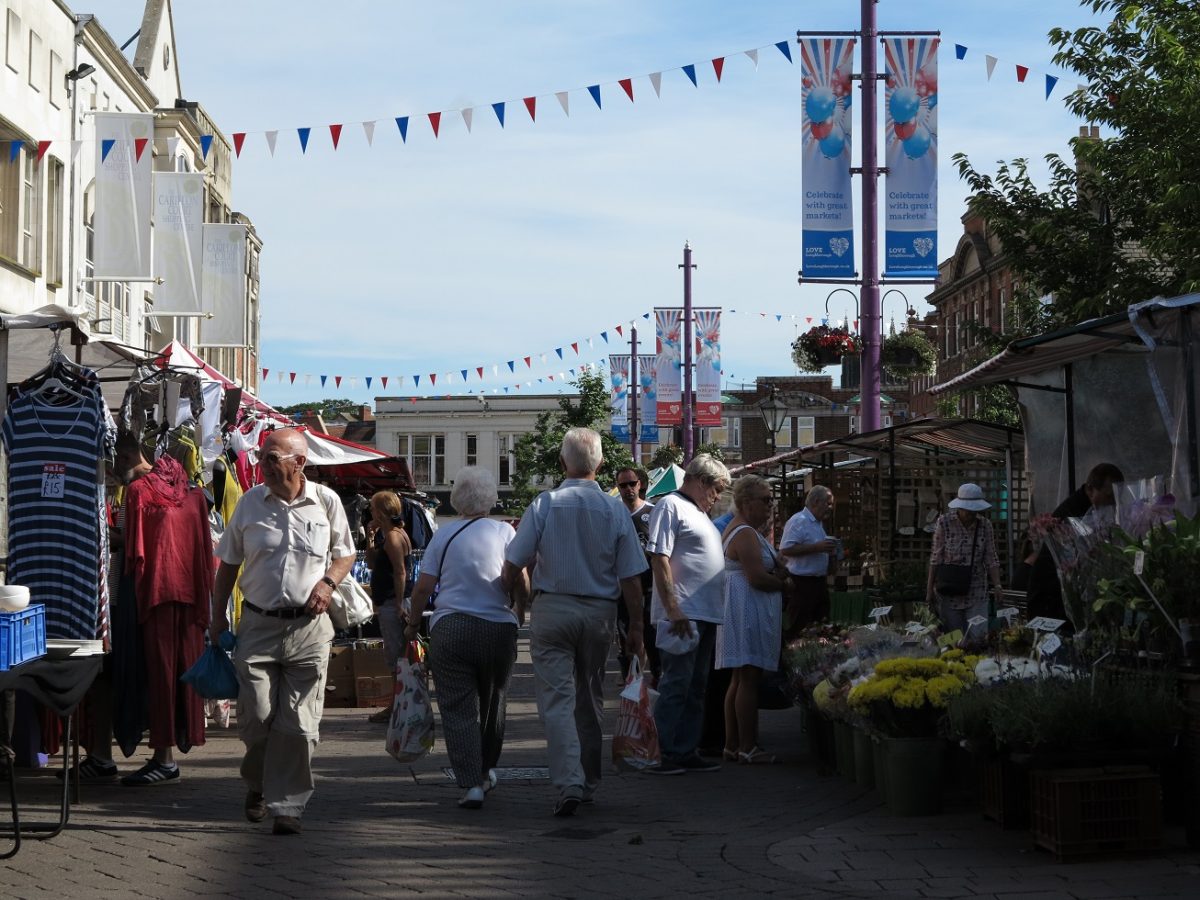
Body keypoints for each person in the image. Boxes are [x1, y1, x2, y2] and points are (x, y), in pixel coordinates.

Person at [210, 428, 356, 836]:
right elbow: (228, 565)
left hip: (309, 628)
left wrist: (328, 583)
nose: (264, 466)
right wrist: (217, 617)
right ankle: (258, 783)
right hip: (257, 625)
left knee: (299, 724)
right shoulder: (250, 504)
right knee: (256, 717)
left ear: (300, 462)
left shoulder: (326, 502)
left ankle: (287, 805)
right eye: (262, 457)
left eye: (273, 458)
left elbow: (346, 554)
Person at [501, 428, 646, 817]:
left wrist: (506, 593)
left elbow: (515, 561)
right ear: (599, 465)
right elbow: (631, 575)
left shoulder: (545, 504)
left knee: (557, 700)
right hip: (600, 612)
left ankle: (569, 782)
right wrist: (635, 626)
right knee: (591, 696)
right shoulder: (615, 509)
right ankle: (589, 782)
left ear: (563, 463)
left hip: (553, 610)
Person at [405, 467, 527, 809]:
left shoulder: (443, 535)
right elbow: (522, 581)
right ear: (491, 497)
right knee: (493, 704)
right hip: (498, 628)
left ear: (457, 497)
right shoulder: (504, 532)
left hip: (452, 626)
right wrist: (518, 609)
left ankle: (471, 783)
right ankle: (487, 770)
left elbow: (424, 588)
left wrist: (413, 625)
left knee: (458, 708)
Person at [646, 453, 731, 776]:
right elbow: (659, 557)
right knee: (677, 683)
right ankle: (664, 750)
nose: (718, 497)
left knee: (696, 686)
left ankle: (684, 749)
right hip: (684, 613)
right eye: (716, 489)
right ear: (700, 481)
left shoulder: (697, 512)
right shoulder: (671, 505)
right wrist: (672, 607)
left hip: (703, 613)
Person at [716, 476, 789, 765]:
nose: (771, 506)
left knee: (739, 678)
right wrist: (783, 582)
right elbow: (757, 578)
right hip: (747, 612)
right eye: (766, 500)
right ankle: (747, 745)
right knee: (748, 678)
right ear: (747, 503)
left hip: (742, 609)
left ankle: (733, 745)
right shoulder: (744, 532)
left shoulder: (743, 530)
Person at [1025, 463, 1124, 622]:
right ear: (1090, 490)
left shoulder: (1091, 512)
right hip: (1051, 600)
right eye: (1109, 496)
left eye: (1117, 497)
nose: (1113, 502)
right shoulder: (1073, 516)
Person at [926, 483, 1002, 635]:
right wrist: (929, 590)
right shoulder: (944, 522)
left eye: (974, 509)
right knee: (954, 639)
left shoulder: (985, 525)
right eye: (967, 509)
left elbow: (991, 558)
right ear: (959, 506)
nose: (970, 513)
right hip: (950, 591)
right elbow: (936, 558)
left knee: (978, 637)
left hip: (977, 590)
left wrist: (998, 585)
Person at [364, 490, 412, 724]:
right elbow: (372, 563)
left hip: (393, 603)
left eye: (373, 508)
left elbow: (401, 572)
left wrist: (400, 602)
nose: (370, 512)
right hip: (390, 602)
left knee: (395, 655)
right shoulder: (388, 535)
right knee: (396, 654)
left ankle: (397, 706)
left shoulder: (394, 537)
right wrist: (370, 536)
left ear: (381, 512)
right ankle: (398, 703)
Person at [615, 466, 658, 680]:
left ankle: (652, 676)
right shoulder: (614, 513)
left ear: (639, 484)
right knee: (628, 638)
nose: (628, 489)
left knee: (650, 637)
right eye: (623, 485)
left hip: (650, 587)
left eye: (632, 483)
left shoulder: (653, 512)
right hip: (623, 588)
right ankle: (633, 680)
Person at [779, 486, 837, 633]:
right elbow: (785, 549)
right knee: (800, 627)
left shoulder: (818, 523)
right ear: (816, 502)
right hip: (802, 584)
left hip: (819, 582)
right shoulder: (799, 521)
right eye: (828, 503)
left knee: (822, 626)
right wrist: (816, 548)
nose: (830, 508)